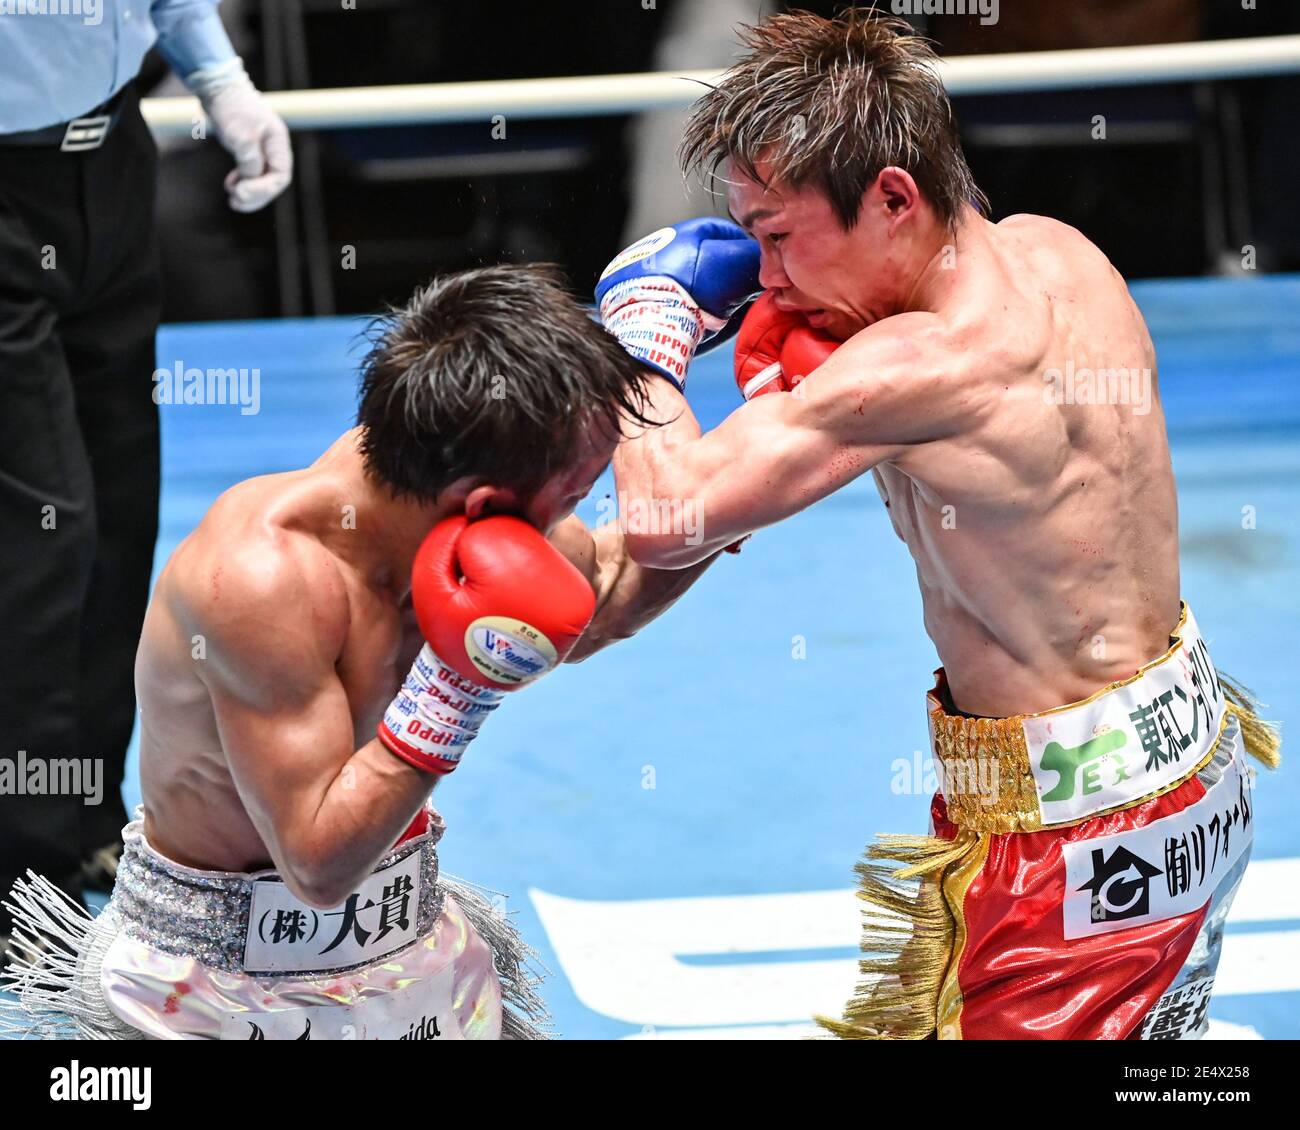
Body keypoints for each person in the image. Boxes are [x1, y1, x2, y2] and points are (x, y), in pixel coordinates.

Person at [595, 9, 1279, 1040]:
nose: (766, 277)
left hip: (1080, 848)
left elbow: (661, 512)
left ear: (891, 196)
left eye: (778, 238)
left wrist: (643, 336)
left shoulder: (916, 371)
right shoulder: (1058, 253)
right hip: (1182, 767)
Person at [1, 264, 738, 1040]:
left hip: (409, 947)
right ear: (484, 503)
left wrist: (761, 477)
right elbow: (316, 861)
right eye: (577, 494)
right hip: (213, 986)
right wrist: (459, 683)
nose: (579, 519)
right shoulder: (263, 580)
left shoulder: (465, 466)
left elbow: (611, 587)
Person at [0, 0, 292, 950]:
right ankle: (18, 866)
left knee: (124, 514)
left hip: (112, 161)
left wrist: (223, 83)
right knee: (45, 533)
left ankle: (84, 814)